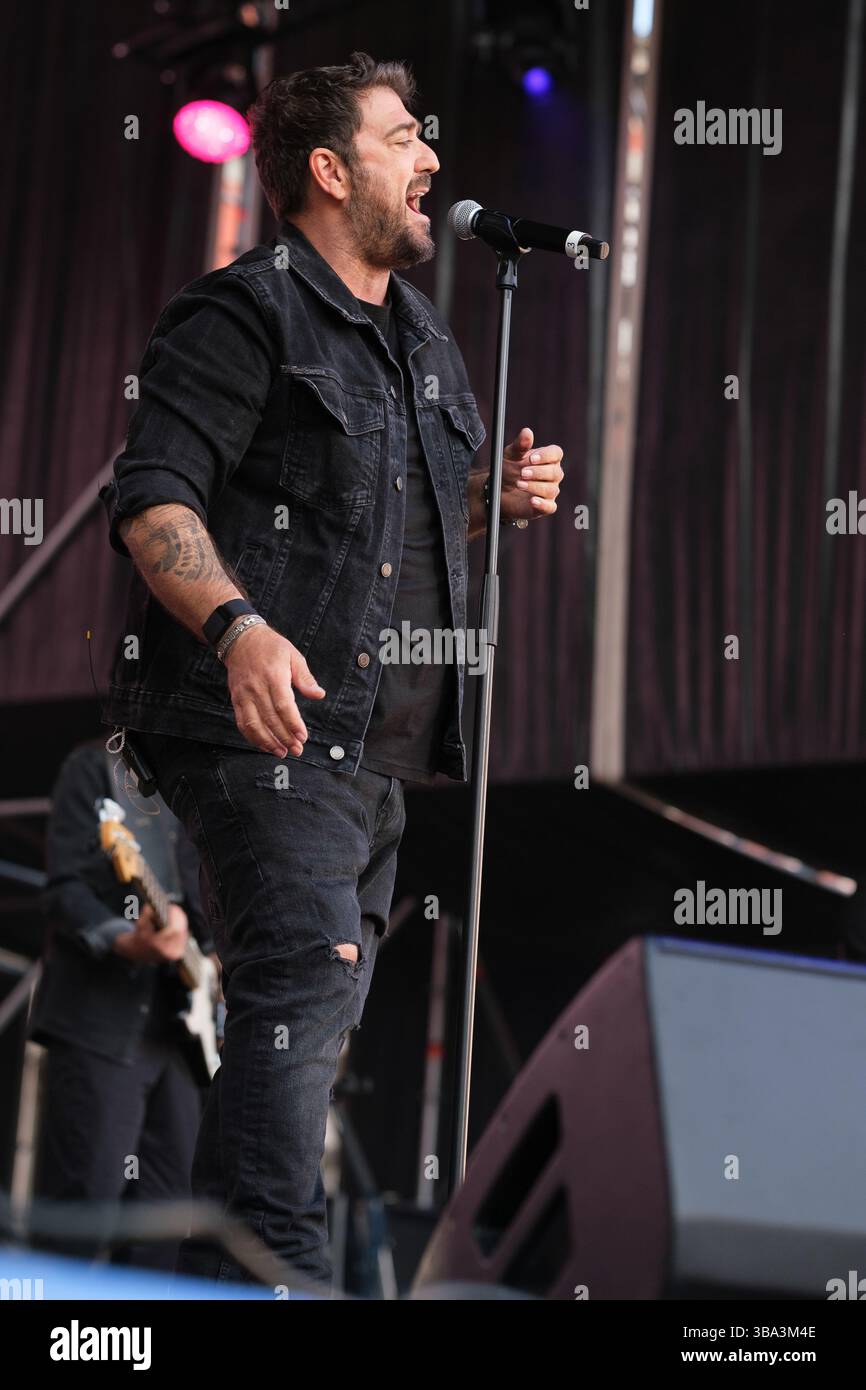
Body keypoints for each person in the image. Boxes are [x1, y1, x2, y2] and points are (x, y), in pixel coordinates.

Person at [98, 52, 564, 1289]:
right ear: (327, 167)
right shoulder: (245, 310)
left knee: (308, 1015)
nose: (430, 161)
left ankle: (211, 1276)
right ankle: (277, 1279)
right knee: (300, 987)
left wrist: (482, 503)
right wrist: (241, 627)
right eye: (403, 136)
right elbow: (151, 498)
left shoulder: (426, 346)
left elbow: (378, 527)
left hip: (375, 750)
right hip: (258, 727)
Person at [29, 739, 211, 1270]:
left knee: (166, 1222)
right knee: (81, 1212)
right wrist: (124, 940)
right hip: (99, 1022)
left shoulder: (202, 786)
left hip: (181, 1042)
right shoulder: (96, 769)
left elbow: (209, 907)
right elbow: (64, 889)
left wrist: (219, 963)